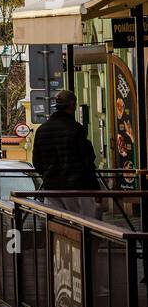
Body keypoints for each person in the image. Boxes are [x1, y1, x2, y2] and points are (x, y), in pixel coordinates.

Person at [31, 89, 101, 220]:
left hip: (51, 186)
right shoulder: (76, 129)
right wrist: (95, 187)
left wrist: (47, 174)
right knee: (82, 222)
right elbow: (87, 159)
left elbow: (37, 161)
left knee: (57, 223)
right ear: (72, 104)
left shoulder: (42, 130)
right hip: (76, 187)